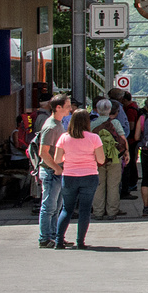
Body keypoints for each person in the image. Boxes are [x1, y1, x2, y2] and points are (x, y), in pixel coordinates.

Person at [53, 110, 105, 249]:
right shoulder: (94, 138)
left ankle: (58, 241)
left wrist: (69, 158)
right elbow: (101, 159)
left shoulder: (64, 138)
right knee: (85, 210)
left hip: (69, 176)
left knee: (66, 209)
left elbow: (57, 159)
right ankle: (80, 242)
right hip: (89, 176)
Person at [34, 95, 73, 248]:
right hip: (51, 172)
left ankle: (54, 236)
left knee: (55, 207)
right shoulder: (51, 126)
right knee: (49, 207)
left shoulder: (57, 124)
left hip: (55, 171)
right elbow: (43, 152)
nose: (70, 109)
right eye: (68, 106)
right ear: (58, 107)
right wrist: (57, 168)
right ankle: (44, 238)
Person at [90, 100, 128, 219]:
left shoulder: (92, 124)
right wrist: (126, 153)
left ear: (97, 109)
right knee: (113, 185)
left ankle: (98, 212)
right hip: (114, 157)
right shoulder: (115, 123)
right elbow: (122, 138)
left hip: (97, 158)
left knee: (98, 185)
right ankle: (112, 211)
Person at [119, 90, 141, 199]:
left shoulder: (130, 111)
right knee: (132, 162)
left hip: (131, 140)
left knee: (130, 162)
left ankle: (132, 183)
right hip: (134, 140)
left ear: (124, 100)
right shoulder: (133, 107)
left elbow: (131, 126)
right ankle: (133, 183)